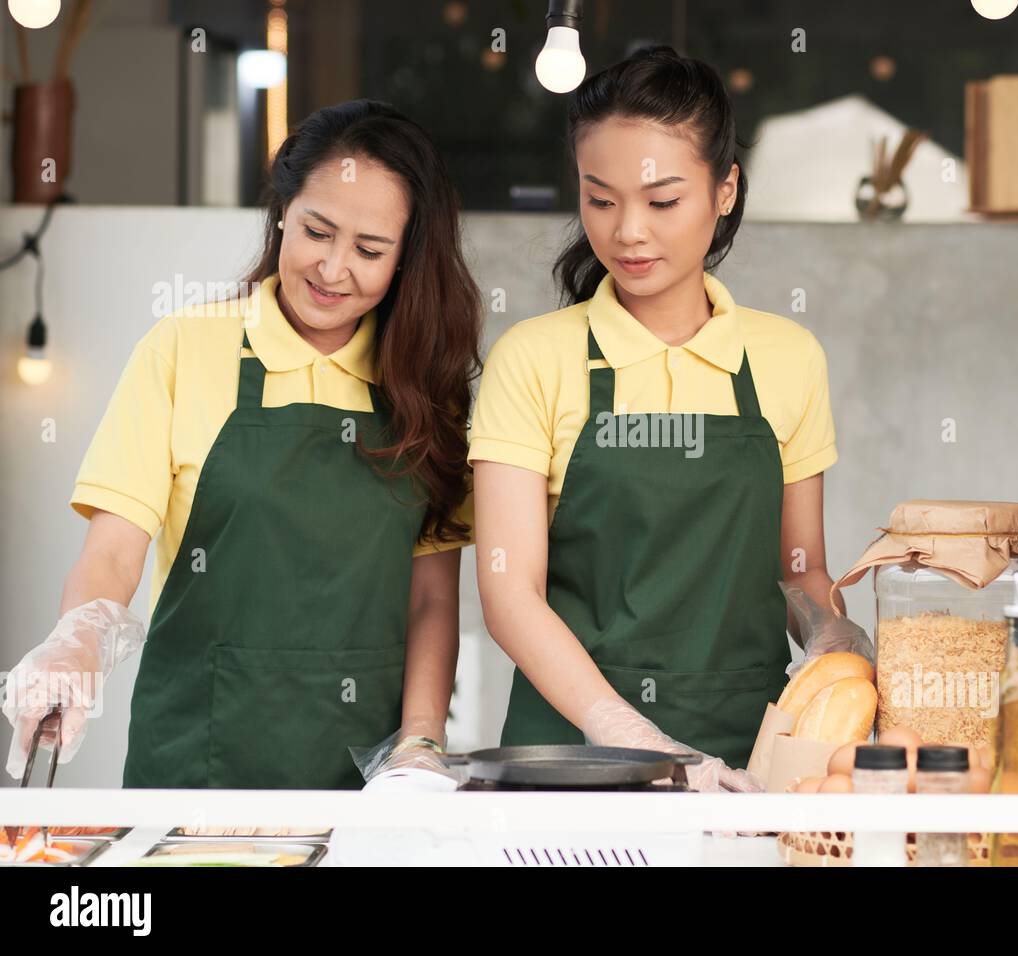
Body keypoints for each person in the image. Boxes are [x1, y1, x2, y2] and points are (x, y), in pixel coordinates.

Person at [2, 100, 480, 789]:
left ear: (407, 259)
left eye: (370, 250)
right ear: (283, 210)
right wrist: (76, 642)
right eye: (317, 230)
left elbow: (432, 597)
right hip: (195, 764)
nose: (333, 268)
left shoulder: (427, 387)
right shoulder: (184, 349)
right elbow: (112, 550)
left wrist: (418, 746)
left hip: (363, 778)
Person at [470, 48, 841, 791]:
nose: (628, 232)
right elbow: (510, 592)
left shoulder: (788, 357)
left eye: (662, 201)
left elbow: (798, 571)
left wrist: (833, 634)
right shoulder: (535, 358)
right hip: (576, 761)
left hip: (750, 759)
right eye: (600, 200)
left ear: (725, 189)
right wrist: (629, 735)